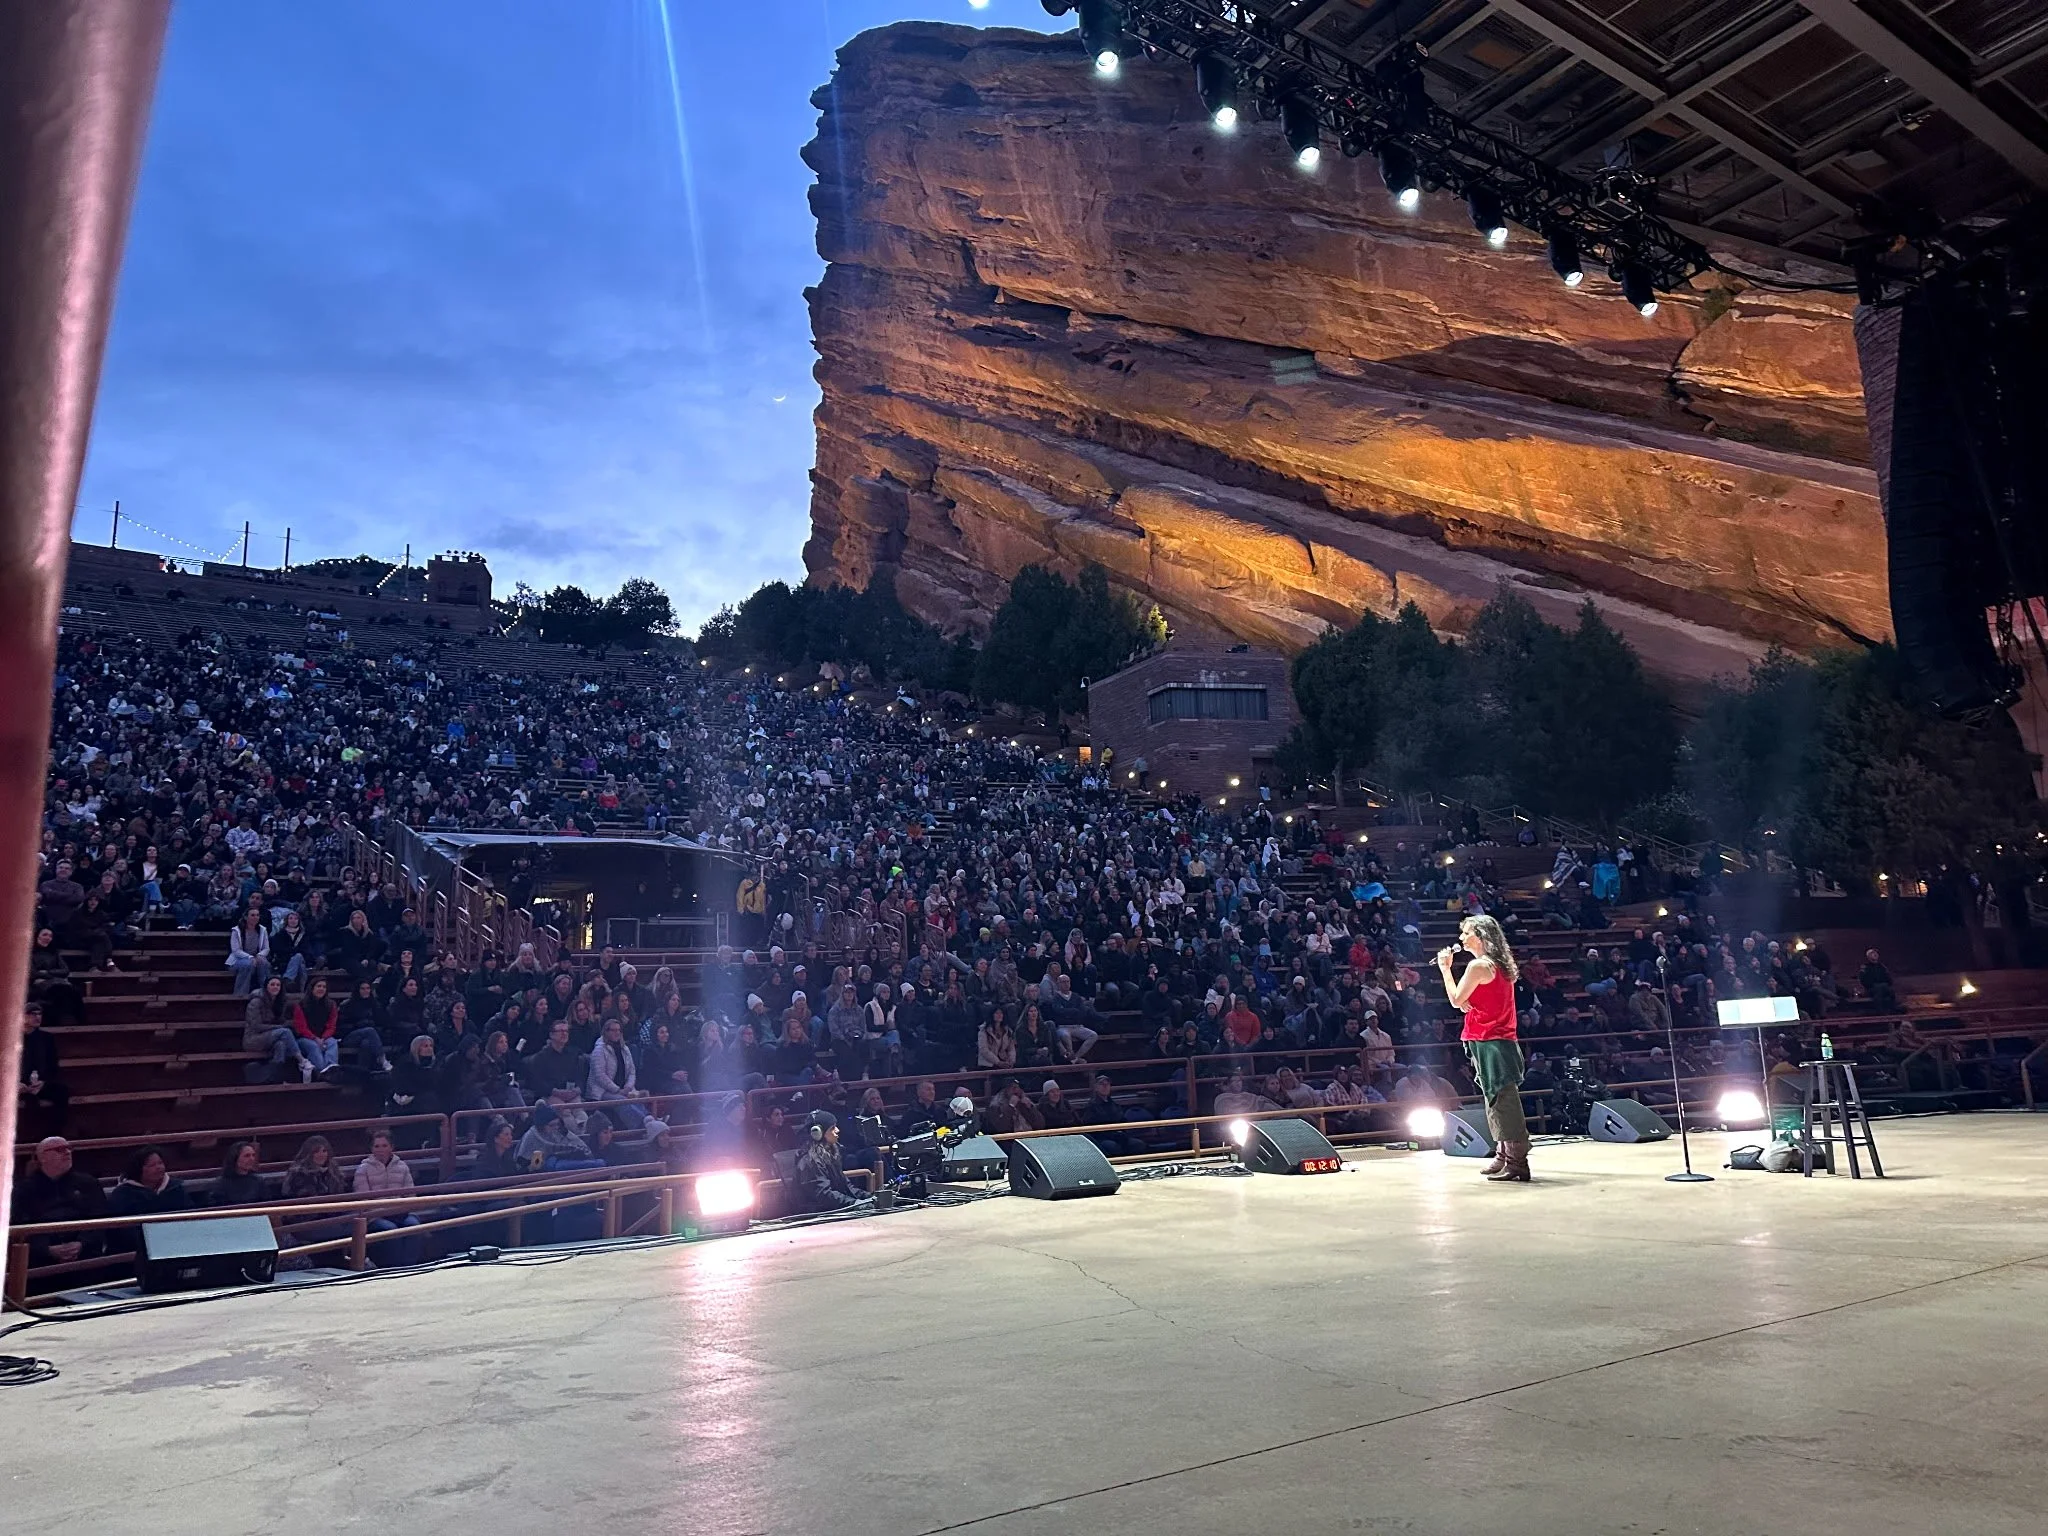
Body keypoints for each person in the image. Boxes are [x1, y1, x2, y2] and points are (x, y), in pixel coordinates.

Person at [1437, 914, 1530, 1182]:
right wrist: (1467, 1001)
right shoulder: (1498, 964)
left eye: (1467, 933)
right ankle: (1504, 1154)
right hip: (1496, 1038)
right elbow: (1474, 1000)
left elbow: (1456, 1000)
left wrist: (1445, 969)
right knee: (1494, 1099)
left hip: (1491, 1039)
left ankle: (1517, 1161)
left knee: (1502, 1101)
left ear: (1481, 936)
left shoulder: (1479, 965)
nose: (1461, 938)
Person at [10, 1136, 107, 1267]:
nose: (67, 1152)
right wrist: (46, 1249)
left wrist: (82, 1243)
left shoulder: (89, 1183)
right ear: (42, 1157)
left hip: (85, 1253)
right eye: (59, 1149)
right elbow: (19, 1224)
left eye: (69, 1148)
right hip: (40, 1259)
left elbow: (100, 1217)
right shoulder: (24, 1189)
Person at [106, 1146, 192, 1253]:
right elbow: (121, 1229)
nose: (158, 1167)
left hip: (175, 1243)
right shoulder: (122, 1194)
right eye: (152, 1165)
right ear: (138, 1169)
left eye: (160, 1163)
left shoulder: (175, 1188)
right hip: (136, 1250)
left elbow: (188, 1216)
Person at [793, 1110, 868, 1212]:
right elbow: (824, 1195)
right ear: (818, 1133)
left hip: (835, 1209)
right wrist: (854, 1204)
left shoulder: (831, 1154)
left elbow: (847, 1187)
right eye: (832, 1128)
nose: (837, 1130)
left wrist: (869, 1197)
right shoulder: (810, 1161)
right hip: (820, 1215)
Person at [18, 1000, 69, 1130]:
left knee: (62, 1092)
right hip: (16, 1085)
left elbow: (53, 1065)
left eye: (39, 1014)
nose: (37, 1017)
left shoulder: (47, 1038)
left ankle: (54, 1133)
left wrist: (43, 1082)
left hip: (39, 1083)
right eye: (32, 1014)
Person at [211, 1141, 270, 1207]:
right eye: (247, 1156)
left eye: (253, 1155)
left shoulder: (258, 1181)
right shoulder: (221, 1183)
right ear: (235, 1158)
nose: (252, 1159)